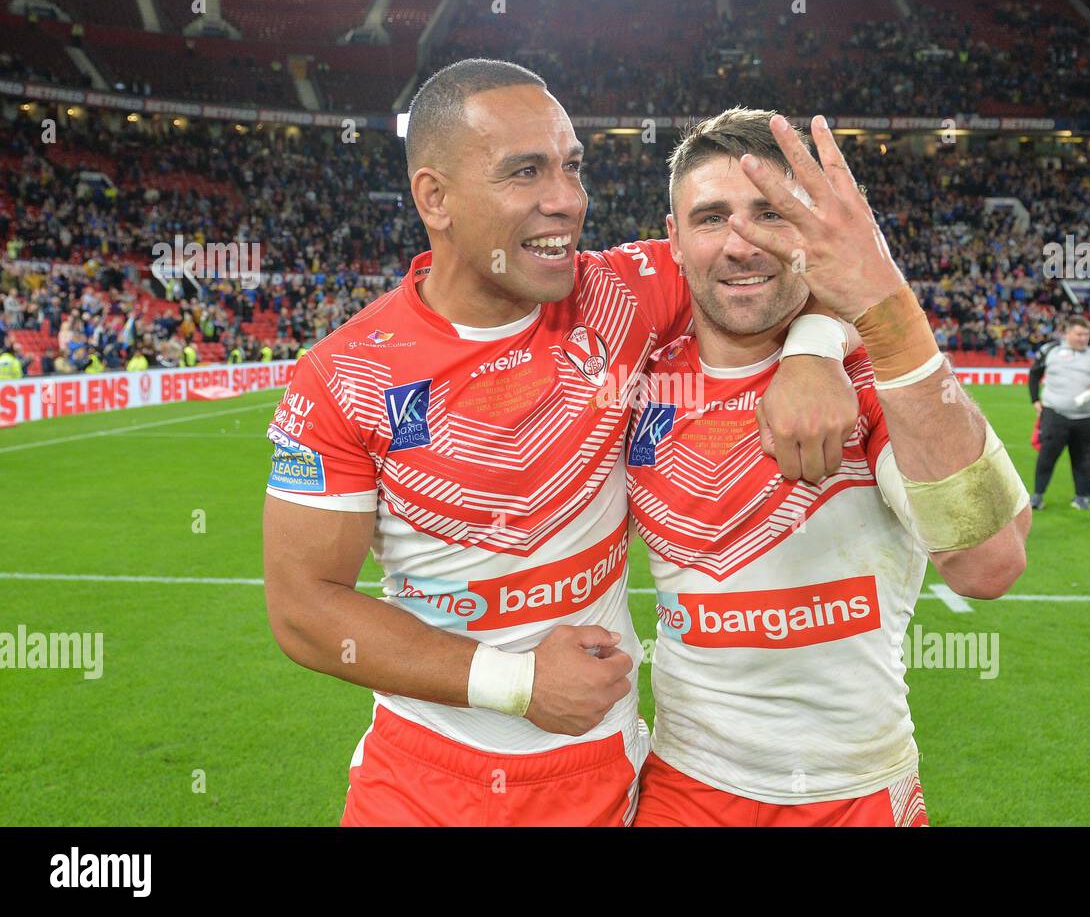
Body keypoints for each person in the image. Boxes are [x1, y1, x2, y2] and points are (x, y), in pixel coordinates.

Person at [261, 59, 858, 828]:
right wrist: (516, 683)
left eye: (572, 167)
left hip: (601, 776)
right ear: (433, 198)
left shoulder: (623, 291)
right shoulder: (342, 376)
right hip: (420, 781)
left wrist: (813, 347)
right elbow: (305, 607)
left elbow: (812, 266)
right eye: (525, 172)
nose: (567, 201)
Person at [626, 109, 1030, 827]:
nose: (740, 242)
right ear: (674, 238)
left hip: (853, 793)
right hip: (684, 785)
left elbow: (990, 561)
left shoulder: (878, 380)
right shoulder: (636, 380)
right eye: (711, 217)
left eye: (770, 215)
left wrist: (869, 312)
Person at [1026, 316, 1090, 510]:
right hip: (1055, 414)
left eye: (1086, 334)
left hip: (1087, 417)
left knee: (1083, 458)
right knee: (1047, 456)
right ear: (1067, 333)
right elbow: (1034, 374)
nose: (1083, 338)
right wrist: (1035, 399)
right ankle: (1037, 496)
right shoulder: (1051, 350)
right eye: (1078, 334)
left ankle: (1081, 497)